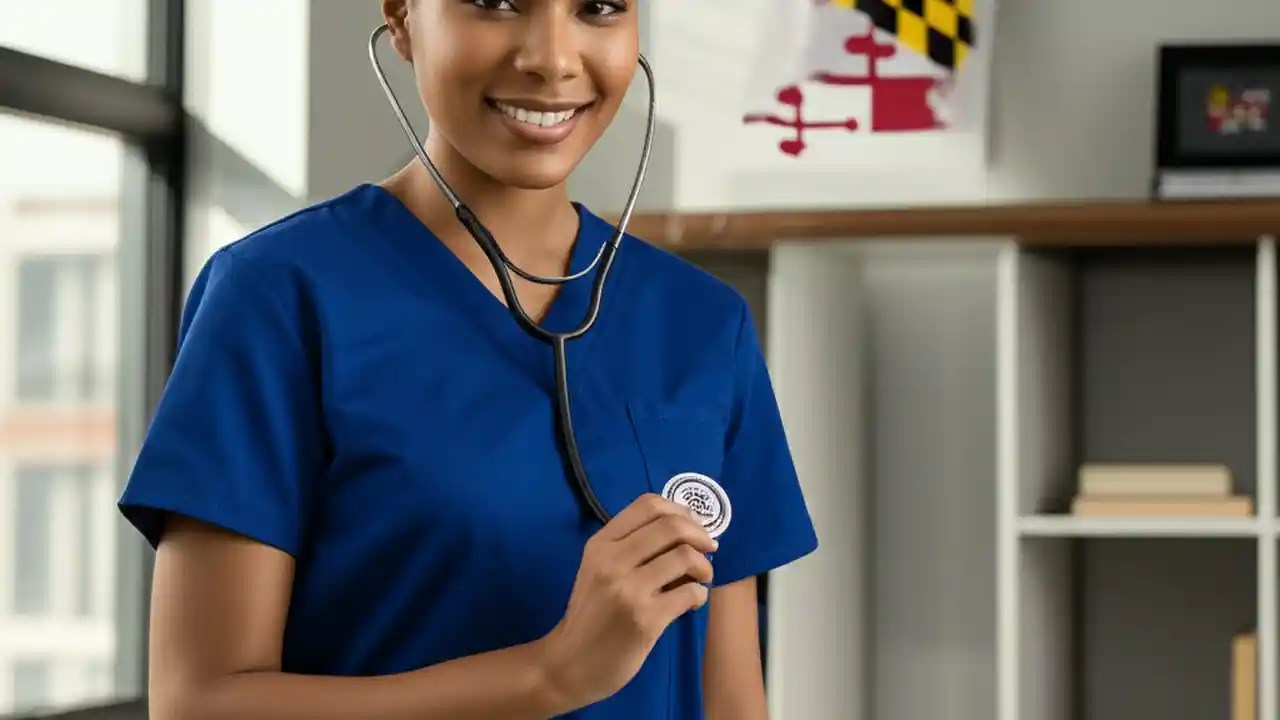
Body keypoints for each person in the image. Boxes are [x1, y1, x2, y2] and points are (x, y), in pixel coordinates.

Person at [116, 1, 818, 718]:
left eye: (598, 8)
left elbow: (730, 697)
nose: (552, 57)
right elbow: (199, 703)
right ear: (401, 18)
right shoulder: (276, 297)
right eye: (494, 2)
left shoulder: (703, 323)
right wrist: (548, 677)